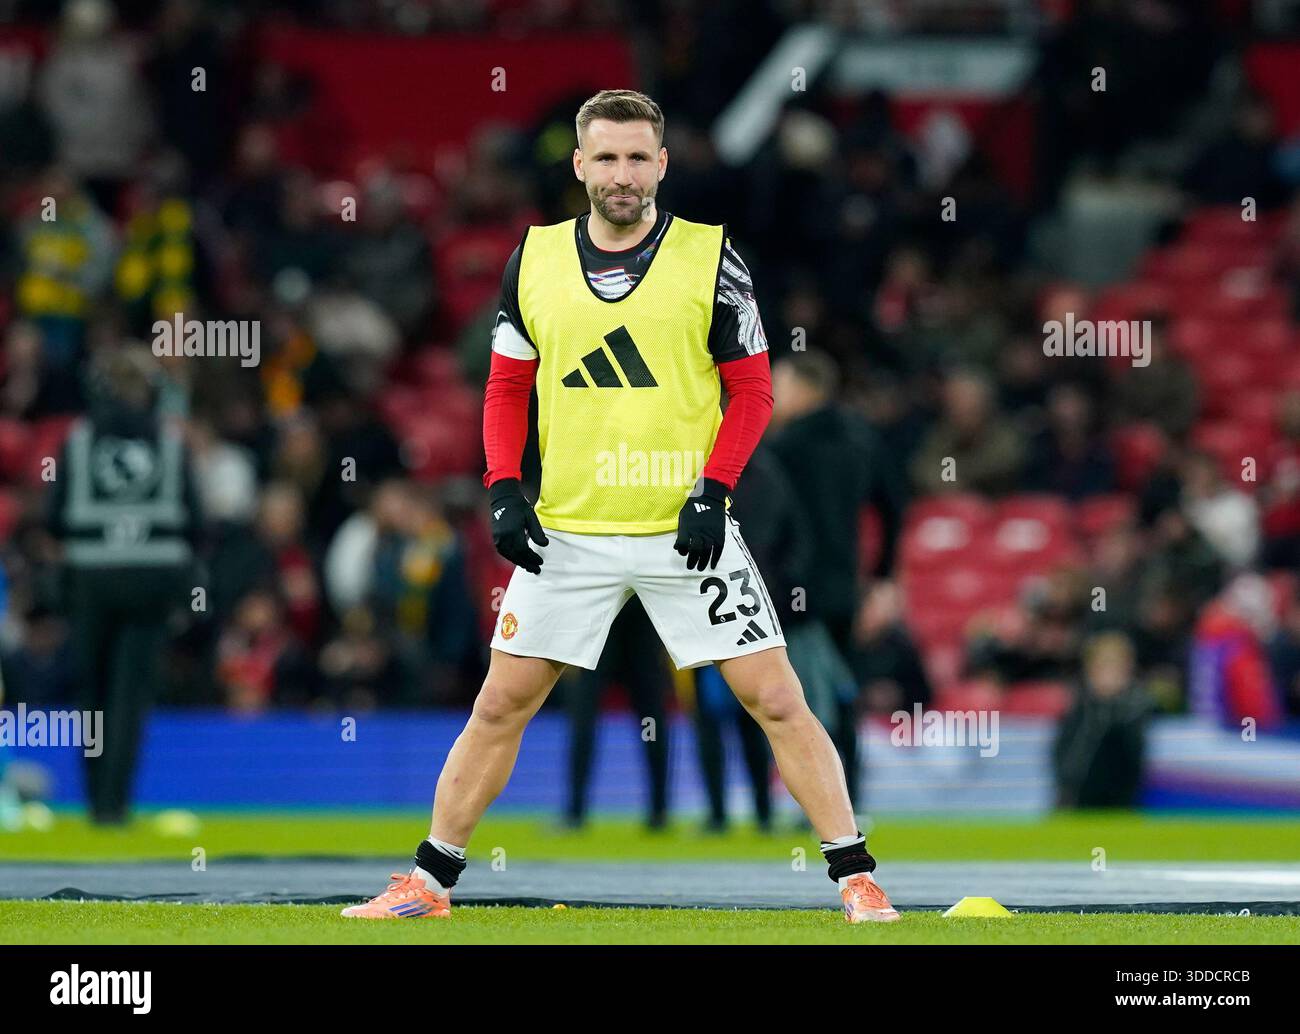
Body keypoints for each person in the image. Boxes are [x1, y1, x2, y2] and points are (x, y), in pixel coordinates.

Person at [342, 89, 898, 923]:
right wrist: (502, 488)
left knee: (778, 699)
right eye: (606, 157)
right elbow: (504, 387)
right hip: (570, 529)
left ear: (662, 164)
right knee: (500, 704)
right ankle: (428, 882)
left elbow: (752, 392)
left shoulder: (713, 258)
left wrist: (715, 489)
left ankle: (856, 877)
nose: (623, 173)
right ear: (579, 165)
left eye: (638, 157)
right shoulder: (531, 259)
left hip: (685, 532)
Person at [45, 346, 201, 824]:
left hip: (91, 580)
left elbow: (54, 518)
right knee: (130, 696)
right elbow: (196, 519)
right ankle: (117, 806)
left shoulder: (79, 438)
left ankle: (95, 804)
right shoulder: (172, 441)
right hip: (153, 581)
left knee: (91, 693)